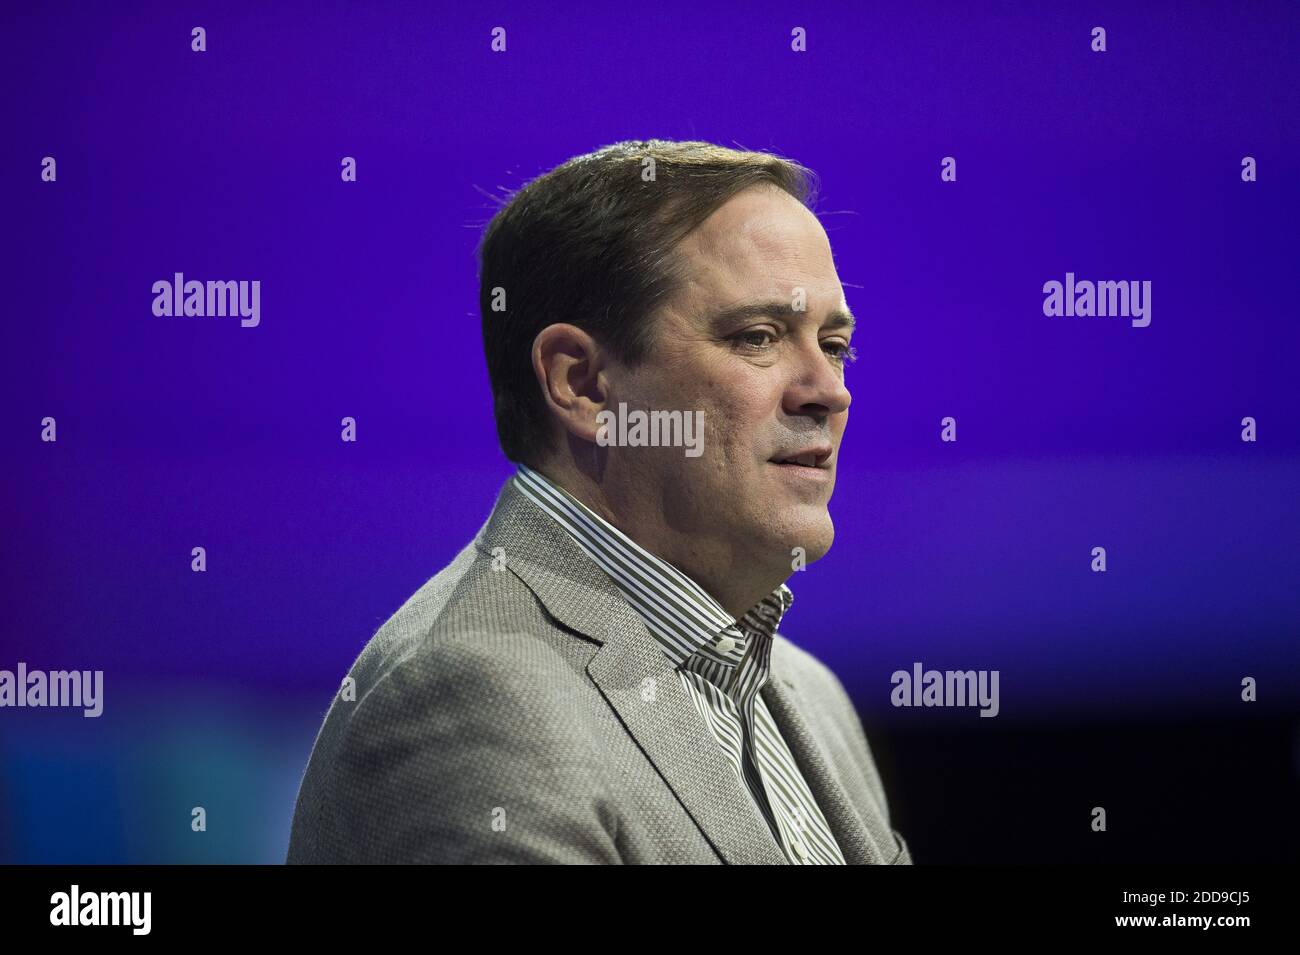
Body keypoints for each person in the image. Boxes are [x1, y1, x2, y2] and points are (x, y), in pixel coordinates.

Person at [286, 139, 912, 864]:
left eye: (834, 345)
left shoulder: (814, 697)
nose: (828, 391)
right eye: (758, 337)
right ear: (581, 385)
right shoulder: (476, 700)